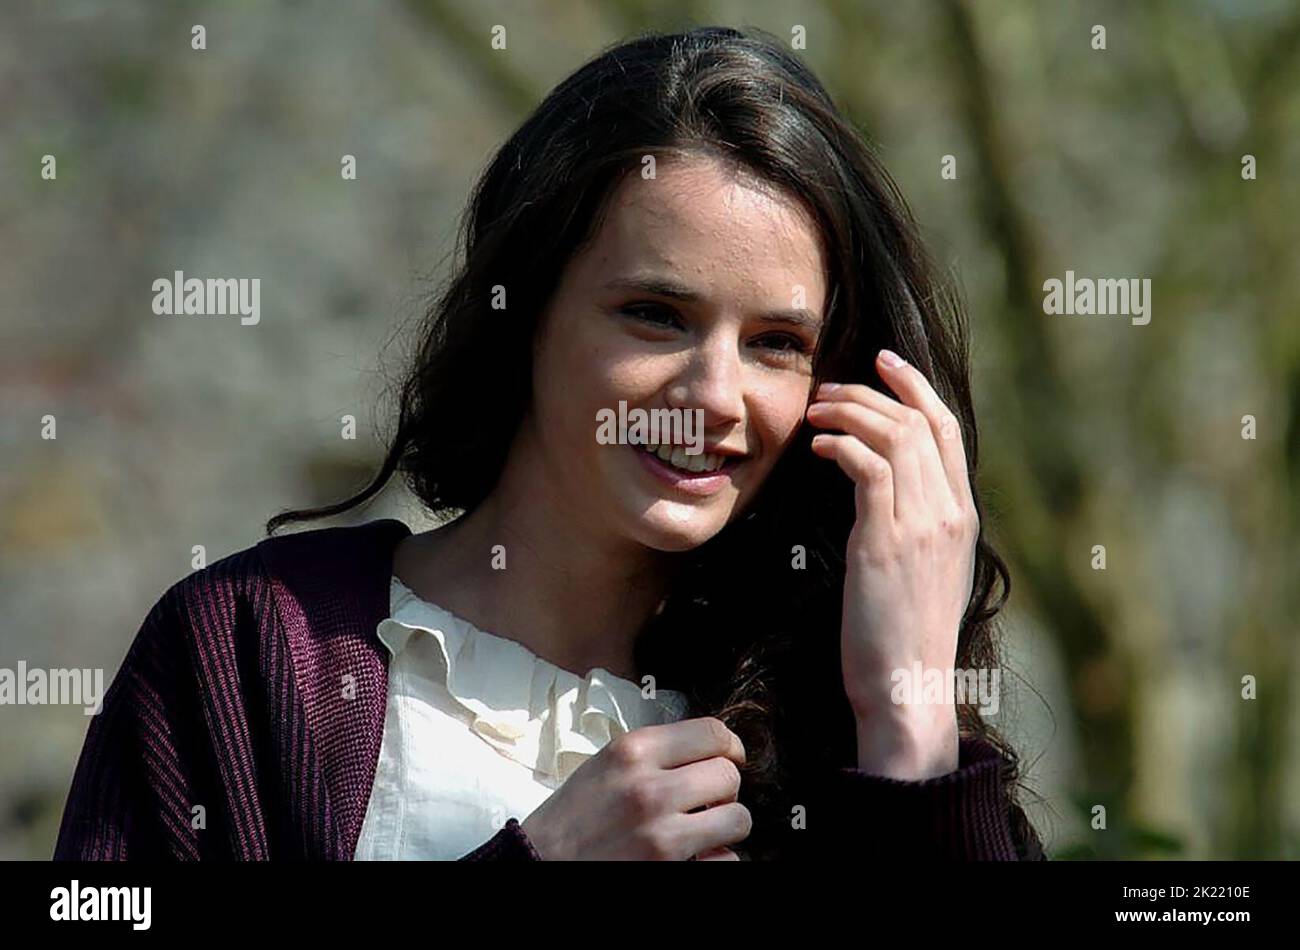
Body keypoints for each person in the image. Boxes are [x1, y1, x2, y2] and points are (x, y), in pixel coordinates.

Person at [55, 26, 1044, 861]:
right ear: (524, 311)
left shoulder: (843, 744)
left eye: (777, 344)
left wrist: (907, 721)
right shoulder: (247, 648)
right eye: (655, 314)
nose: (713, 395)